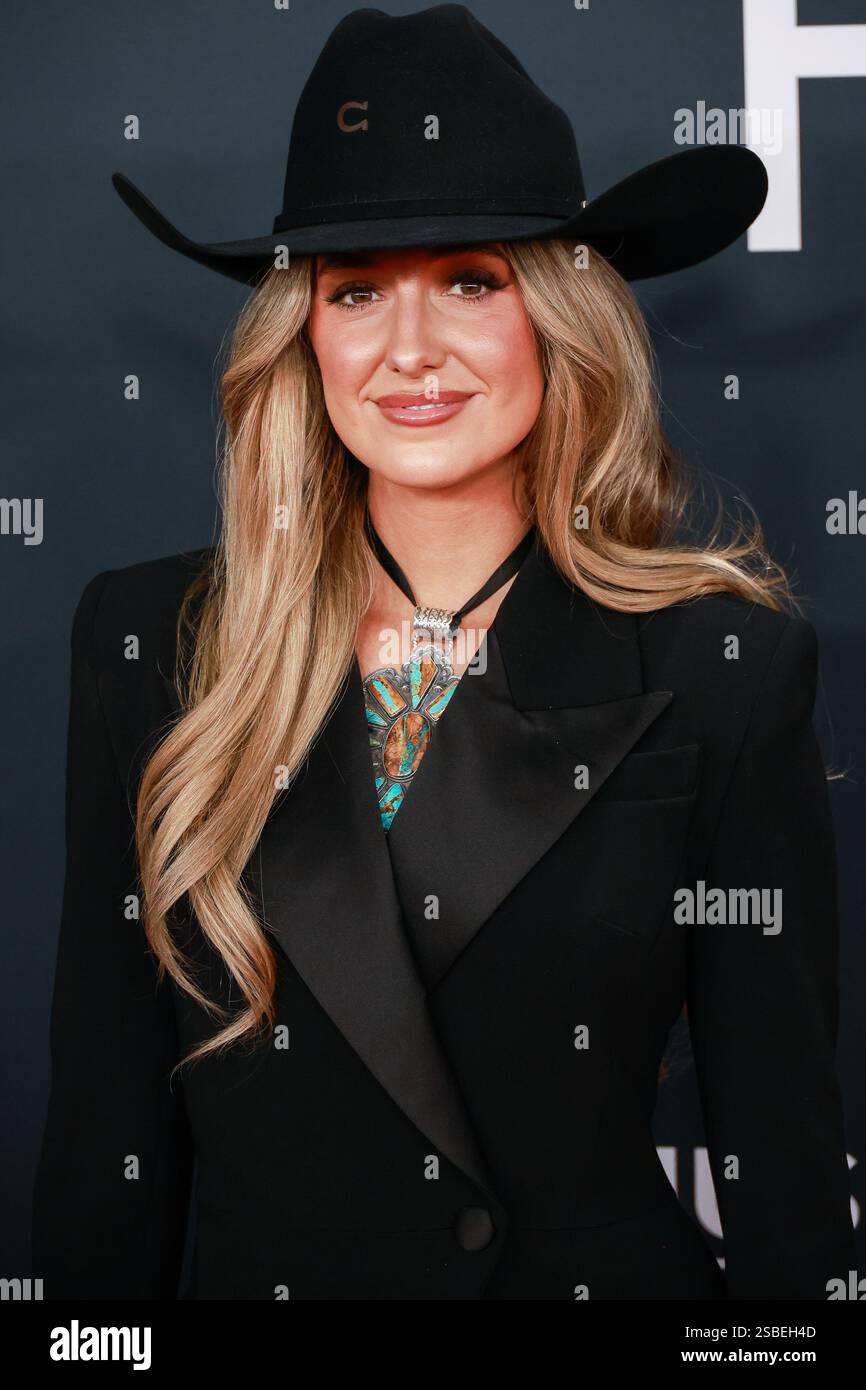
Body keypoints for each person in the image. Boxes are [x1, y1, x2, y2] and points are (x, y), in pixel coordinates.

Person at [32, 4, 855, 1300]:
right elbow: (103, 1161)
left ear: (553, 314)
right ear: (304, 333)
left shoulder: (719, 669)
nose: (407, 351)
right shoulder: (151, 647)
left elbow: (786, 1178)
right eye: (357, 291)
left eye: (468, 278)